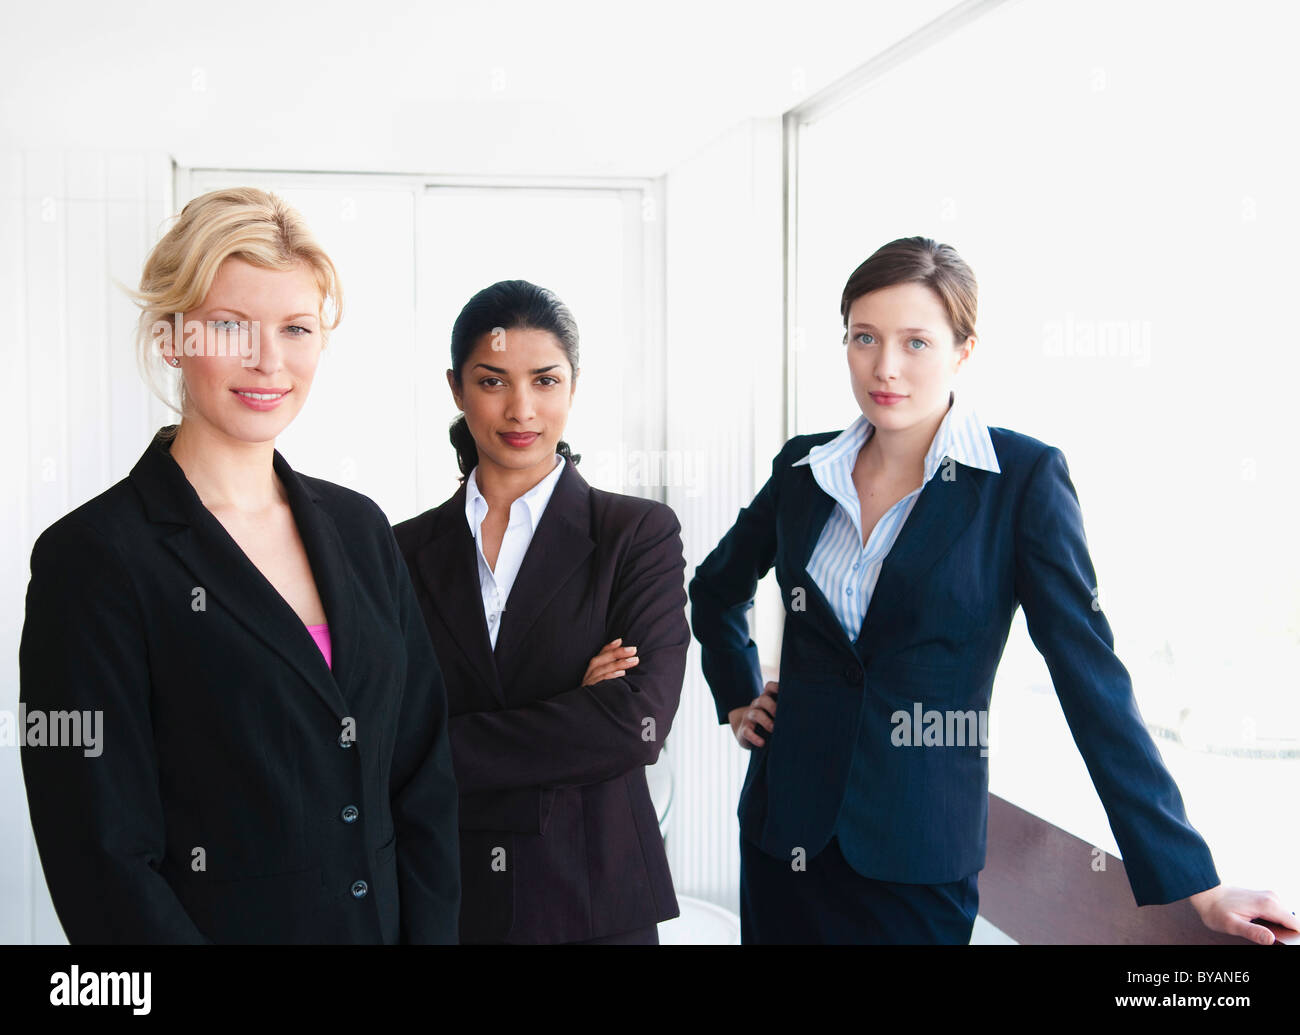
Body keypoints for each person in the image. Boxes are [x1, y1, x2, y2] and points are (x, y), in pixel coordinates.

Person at [689, 236, 1297, 945]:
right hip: (783, 836)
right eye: (864, 337)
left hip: (917, 856)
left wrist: (1197, 880)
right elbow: (715, 587)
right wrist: (735, 692)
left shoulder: (1022, 480)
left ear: (963, 349)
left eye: (916, 342)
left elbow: (1090, 678)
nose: (885, 366)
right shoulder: (804, 468)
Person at [19, 187, 460, 944]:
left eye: (295, 328)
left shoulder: (360, 530)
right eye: (229, 325)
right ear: (170, 337)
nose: (268, 360)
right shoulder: (90, 560)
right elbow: (101, 859)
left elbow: (422, 781)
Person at [393, 279, 688, 944]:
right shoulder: (401, 549)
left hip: (593, 896)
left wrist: (445, 742)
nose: (521, 408)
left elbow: (637, 723)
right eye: (492, 381)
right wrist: (573, 705)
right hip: (452, 892)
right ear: (456, 387)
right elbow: (387, 733)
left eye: (546, 381)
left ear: (574, 386)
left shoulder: (635, 533)